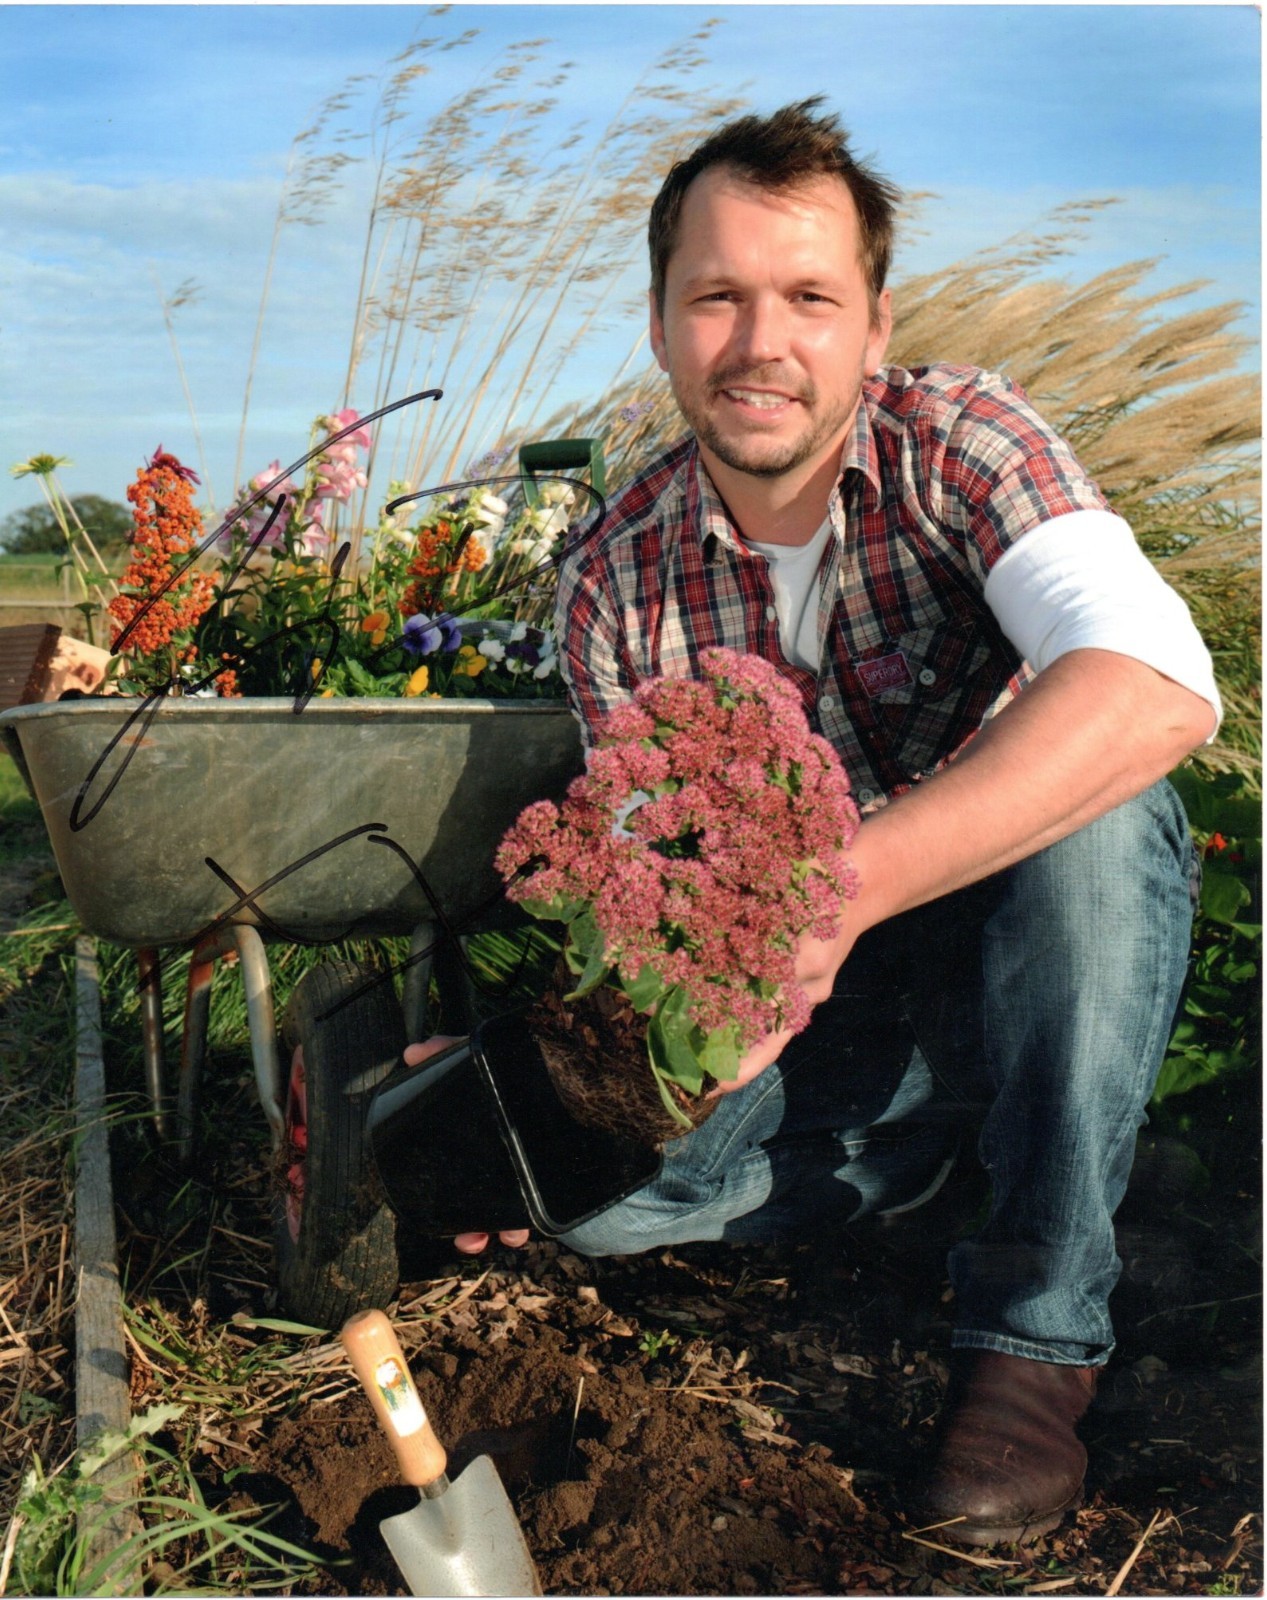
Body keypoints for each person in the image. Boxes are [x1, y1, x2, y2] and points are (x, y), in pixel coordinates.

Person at [405, 98, 1220, 1546]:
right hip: (818, 1018)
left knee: (1103, 832)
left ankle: (1032, 1342)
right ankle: (937, 1156)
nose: (760, 343)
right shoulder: (613, 580)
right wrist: (546, 1086)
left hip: (1032, 947)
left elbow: (1154, 681)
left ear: (874, 322)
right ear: (661, 327)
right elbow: (667, 903)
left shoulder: (962, 444)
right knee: (587, 1206)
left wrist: (841, 891)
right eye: (716, 297)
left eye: (808, 299)